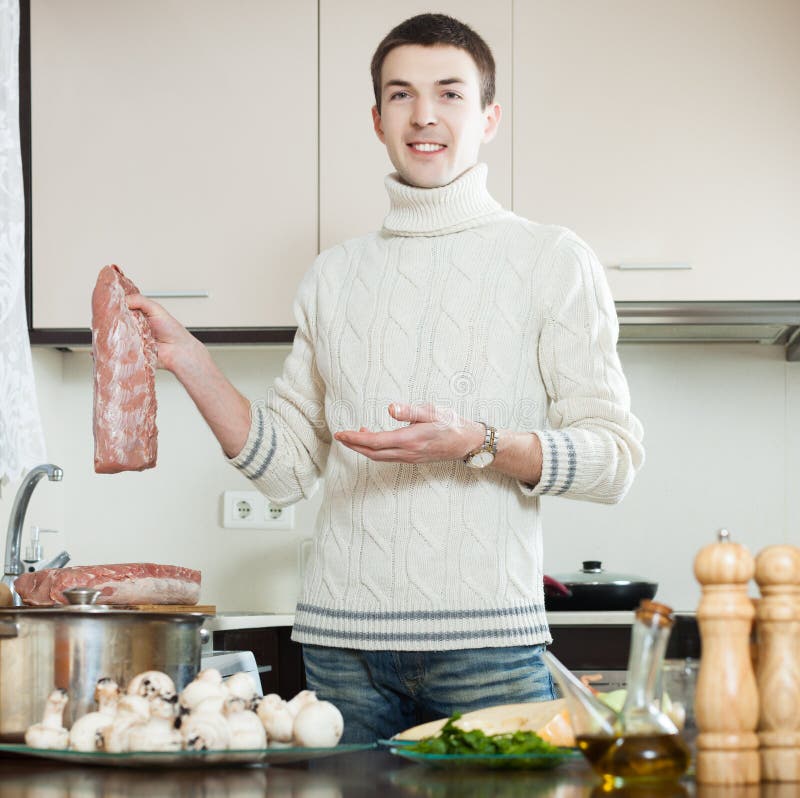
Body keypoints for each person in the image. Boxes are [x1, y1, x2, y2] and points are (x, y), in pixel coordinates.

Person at [128, 13, 645, 743]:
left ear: (489, 117)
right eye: (401, 95)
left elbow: (614, 460)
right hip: (341, 655)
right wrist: (192, 361)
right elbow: (287, 471)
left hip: (488, 649)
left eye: (450, 93)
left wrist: (478, 443)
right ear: (377, 119)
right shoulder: (333, 275)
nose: (424, 114)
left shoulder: (553, 261)